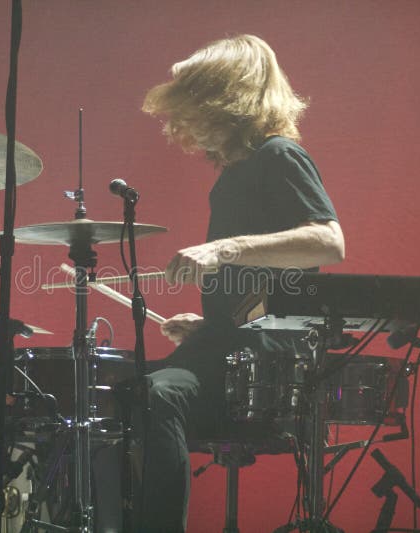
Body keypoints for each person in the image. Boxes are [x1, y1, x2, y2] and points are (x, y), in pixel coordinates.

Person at [138, 34, 345, 531]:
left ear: (225, 99)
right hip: (230, 345)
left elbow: (328, 241)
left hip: (266, 360)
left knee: (156, 396)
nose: (185, 122)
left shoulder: (279, 155)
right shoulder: (235, 173)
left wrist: (223, 249)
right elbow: (254, 281)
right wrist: (210, 325)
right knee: (120, 392)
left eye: (193, 104)